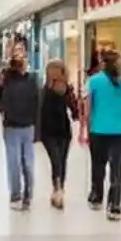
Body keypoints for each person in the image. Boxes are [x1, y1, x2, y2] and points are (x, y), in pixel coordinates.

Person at [85, 50, 121, 221]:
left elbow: (89, 107)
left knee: (98, 165)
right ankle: (114, 205)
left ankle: (96, 196)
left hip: (98, 130)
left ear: (101, 62)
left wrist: (86, 127)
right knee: (117, 168)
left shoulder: (93, 81)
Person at [0, 52, 39, 211]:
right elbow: (37, 102)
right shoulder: (31, 81)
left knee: (14, 161)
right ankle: (26, 194)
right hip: (25, 126)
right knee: (26, 161)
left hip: (13, 126)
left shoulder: (6, 82)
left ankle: (17, 194)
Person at [37, 59, 78, 210]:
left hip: (59, 131)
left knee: (60, 161)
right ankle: (58, 190)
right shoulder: (46, 90)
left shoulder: (62, 89)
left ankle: (58, 189)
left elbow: (74, 111)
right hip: (54, 131)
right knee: (58, 161)